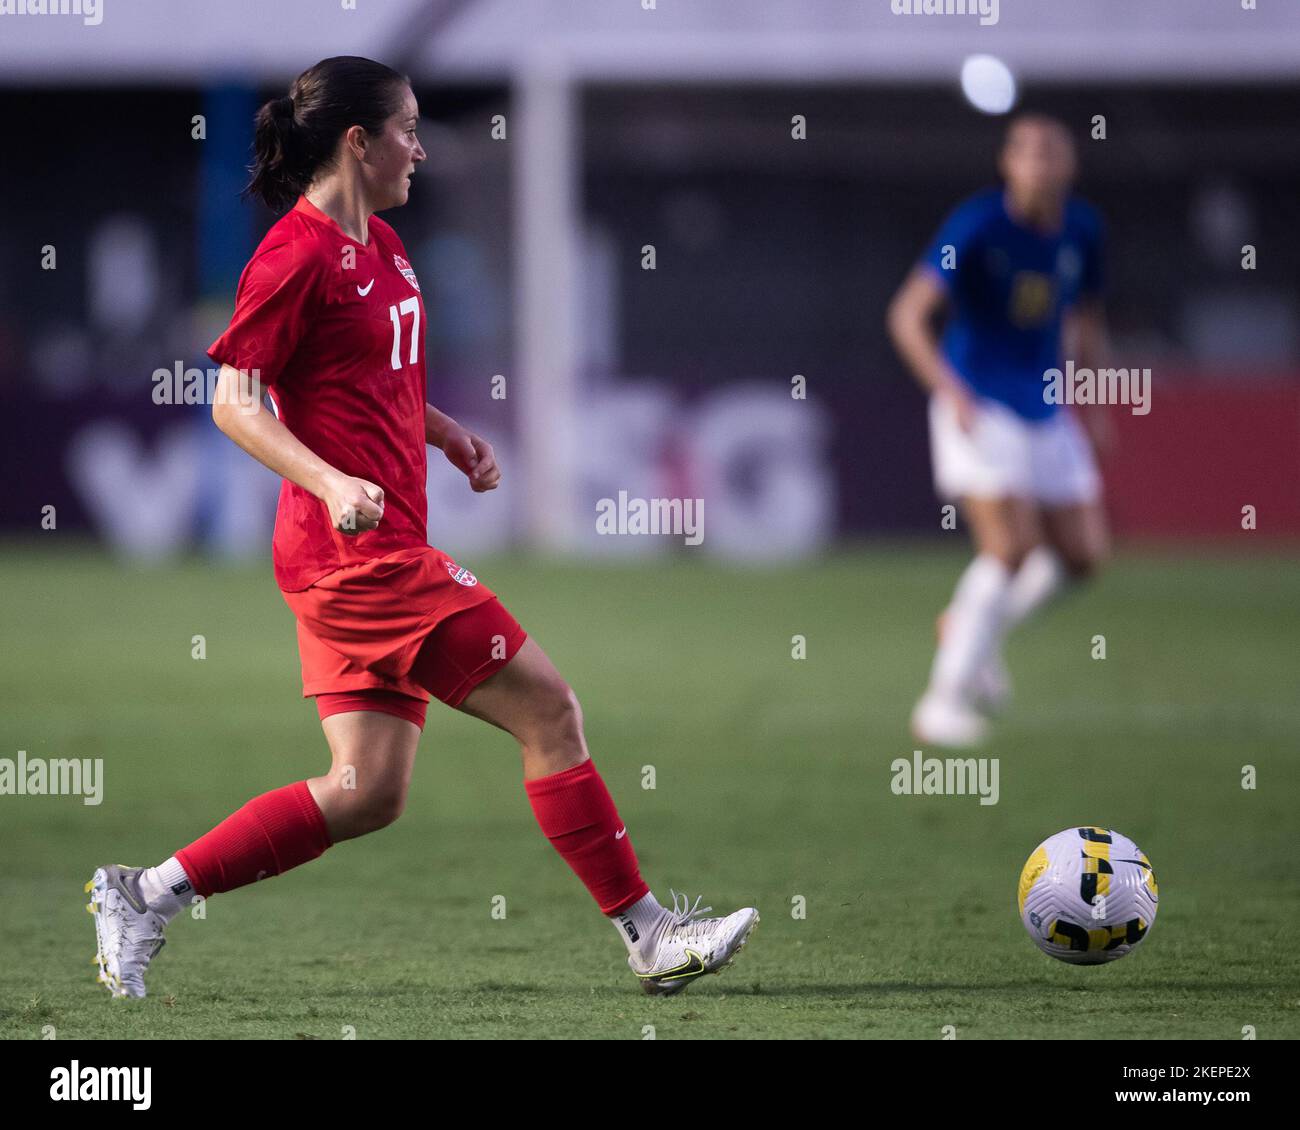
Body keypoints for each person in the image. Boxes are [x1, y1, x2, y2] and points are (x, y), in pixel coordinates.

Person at [87, 56, 757, 1001]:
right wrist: (328, 483)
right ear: (357, 142)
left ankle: (143, 894)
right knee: (550, 710)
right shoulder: (295, 254)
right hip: (359, 559)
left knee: (367, 792)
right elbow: (235, 404)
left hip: (363, 547)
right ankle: (649, 934)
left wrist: (444, 435)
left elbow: (370, 382)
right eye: (406, 129)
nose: (421, 147)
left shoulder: (387, 248)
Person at [887, 113, 1111, 748]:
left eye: (1053, 153)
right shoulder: (978, 225)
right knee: (1009, 550)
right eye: (1029, 153)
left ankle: (968, 625)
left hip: (1046, 407)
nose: (1040, 164)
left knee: (1081, 557)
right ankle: (940, 702)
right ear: (1007, 164)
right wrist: (949, 390)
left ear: (1069, 165)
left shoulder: (1085, 231)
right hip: (978, 403)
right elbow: (908, 315)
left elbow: (1087, 320)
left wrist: (1093, 403)